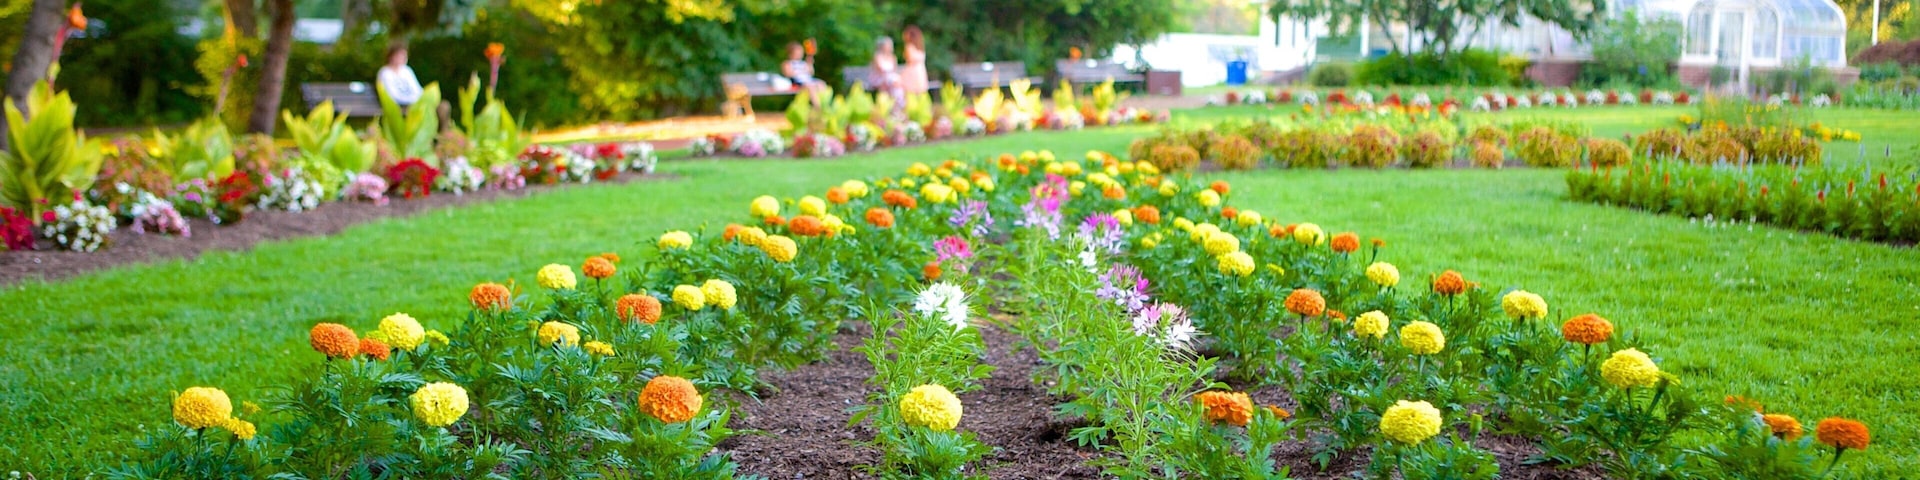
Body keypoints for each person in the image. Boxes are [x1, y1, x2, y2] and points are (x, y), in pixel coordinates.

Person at [869, 36, 905, 117]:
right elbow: (879, 70)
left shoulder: (893, 57)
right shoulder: (877, 57)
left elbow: (894, 70)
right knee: (893, 84)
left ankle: (895, 107)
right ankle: (895, 107)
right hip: (879, 78)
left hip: (890, 79)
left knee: (897, 85)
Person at [899, 26, 929, 96]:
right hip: (920, 70)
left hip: (912, 71)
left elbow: (909, 59)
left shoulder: (909, 47)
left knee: (910, 91)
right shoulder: (920, 47)